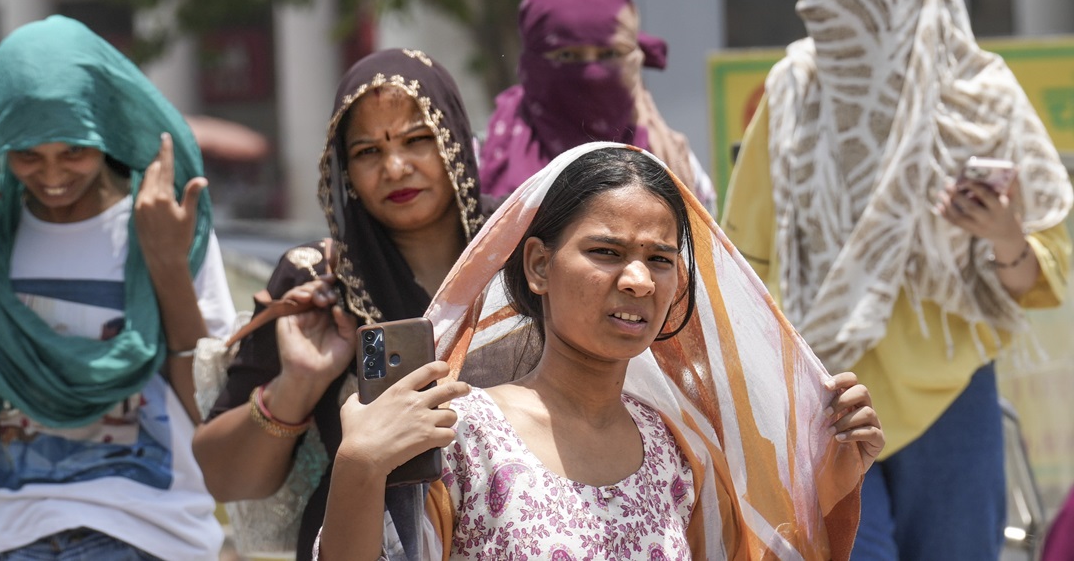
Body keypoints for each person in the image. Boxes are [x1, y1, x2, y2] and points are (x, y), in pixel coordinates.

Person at [317, 143, 883, 560]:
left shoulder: (675, 455)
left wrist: (825, 478)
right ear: (539, 264)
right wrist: (359, 466)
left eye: (660, 259)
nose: (638, 280)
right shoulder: (462, 436)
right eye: (606, 251)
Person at [722, 0, 1074, 560]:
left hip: (952, 401)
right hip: (822, 396)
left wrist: (1002, 232)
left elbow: (1038, 278)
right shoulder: (793, 91)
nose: (807, 7)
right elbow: (750, 261)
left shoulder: (981, 98)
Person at [0, 15, 237, 561]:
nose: (53, 175)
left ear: (105, 133)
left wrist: (166, 266)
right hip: (15, 535)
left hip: (150, 533)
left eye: (74, 152)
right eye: (28, 156)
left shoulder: (164, 224)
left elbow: (210, 407)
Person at [193, 48, 489, 560]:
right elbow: (222, 476)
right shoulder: (319, 284)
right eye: (368, 152)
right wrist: (300, 382)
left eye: (417, 139)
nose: (395, 167)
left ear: (456, 141)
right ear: (344, 168)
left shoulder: (518, 258)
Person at [479, 0, 717, 212]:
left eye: (610, 54)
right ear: (533, 61)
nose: (592, 73)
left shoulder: (674, 162)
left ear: (635, 57)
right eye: (568, 55)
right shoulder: (483, 158)